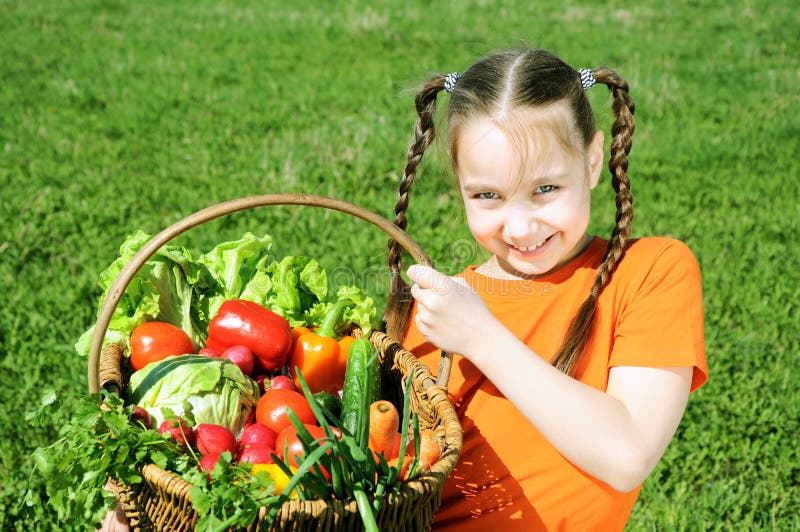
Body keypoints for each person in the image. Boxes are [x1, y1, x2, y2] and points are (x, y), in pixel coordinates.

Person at [396, 48, 708, 530]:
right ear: (460, 185)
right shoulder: (440, 311)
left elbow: (626, 455)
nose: (520, 228)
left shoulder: (650, 272)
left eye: (545, 189)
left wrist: (483, 338)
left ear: (592, 162)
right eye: (487, 196)